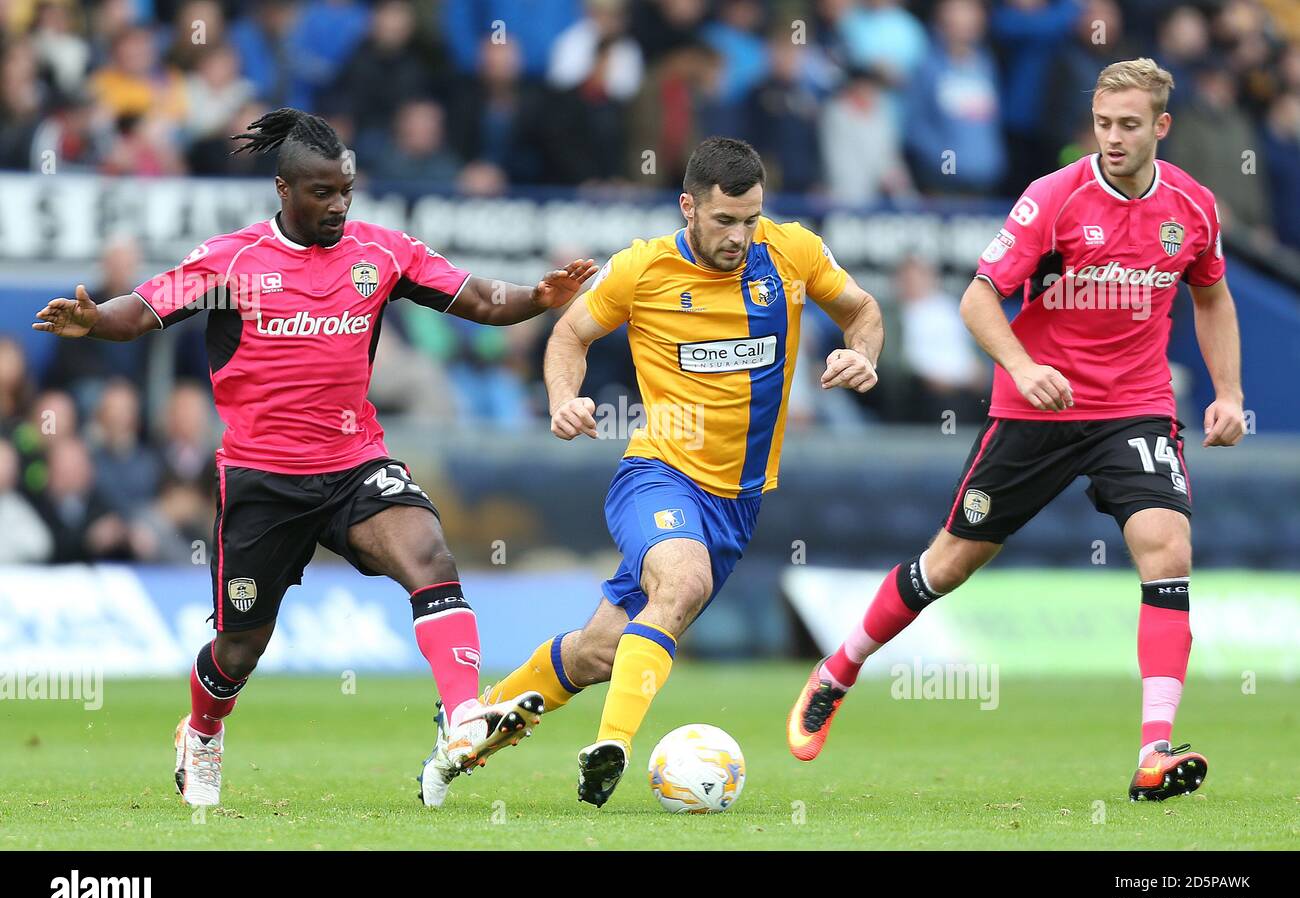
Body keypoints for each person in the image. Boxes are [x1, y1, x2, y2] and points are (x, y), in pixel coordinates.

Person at [32, 108, 598, 809]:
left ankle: (461, 717)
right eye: (322, 192)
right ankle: (202, 731)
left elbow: (478, 298)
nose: (338, 205)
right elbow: (144, 310)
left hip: (354, 463)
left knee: (429, 557)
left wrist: (537, 299)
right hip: (262, 479)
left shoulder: (381, 253)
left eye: (345, 191)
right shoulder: (232, 260)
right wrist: (95, 320)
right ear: (284, 189)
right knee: (239, 649)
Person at [789, 59, 1246, 803]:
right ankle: (839, 669)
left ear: (1162, 126)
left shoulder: (1192, 206)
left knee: (1168, 549)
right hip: (1037, 407)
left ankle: (1153, 752)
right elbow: (978, 299)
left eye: (1130, 125)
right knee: (948, 565)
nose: (1113, 138)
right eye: (1103, 123)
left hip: (1133, 406)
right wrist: (1024, 366)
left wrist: (1228, 393)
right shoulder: (1054, 198)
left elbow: (1213, 296)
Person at [484, 137, 884, 807]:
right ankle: (612, 746)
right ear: (688, 208)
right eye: (725, 220)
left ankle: (471, 727)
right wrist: (562, 399)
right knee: (683, 581)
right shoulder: (641, 268)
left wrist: (862, 353)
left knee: (598, 653)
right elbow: (570, 334)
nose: (740, 236)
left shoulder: (794, 252)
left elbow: (862, 310)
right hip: (659, 473)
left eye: (751, 219)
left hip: (737, 503)